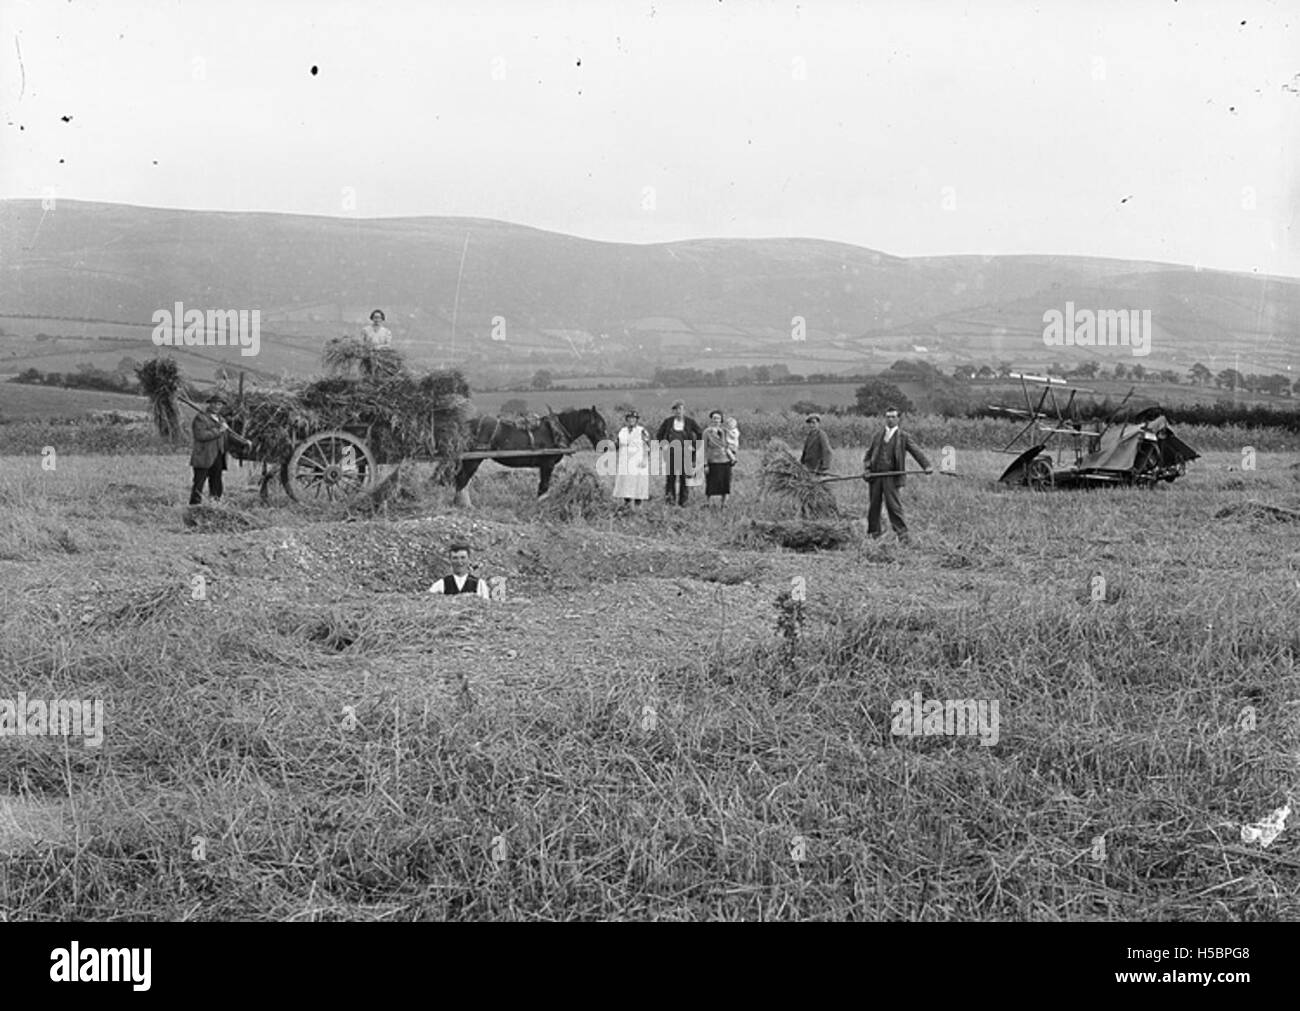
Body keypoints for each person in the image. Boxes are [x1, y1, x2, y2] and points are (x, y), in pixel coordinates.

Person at [862, 406, 932, 544]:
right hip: (875, 476)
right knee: (874, 505)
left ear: (898, 419)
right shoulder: (878, 435)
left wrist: (926, 466)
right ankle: (873, 534)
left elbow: (916, 451)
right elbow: (868, 455)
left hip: (892, 476)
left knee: (893, 506)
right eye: (888, 416)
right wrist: (867, 469)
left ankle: (903, 536)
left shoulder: (903, 437)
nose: (890, 419)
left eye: (893, 417)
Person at [655, 400, 703, 506]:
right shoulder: (668, 422)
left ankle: (683, 502)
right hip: (671, 454)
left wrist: (694, 446)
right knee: (671, 478)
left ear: (684, 410)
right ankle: (670, 500)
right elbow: (659, 435)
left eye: (680, 409)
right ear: (673, 411)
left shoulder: (690, 422)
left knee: (683, 478)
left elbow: (700, 433)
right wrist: (664, 445)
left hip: (685, 454)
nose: (678, 411)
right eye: (676, 409)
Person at [189, 393, 230, 505]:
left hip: (218, 456)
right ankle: (194, 506)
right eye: (215, 404)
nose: (217, 406)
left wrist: (245, 442)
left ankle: (215, 505)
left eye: (220, 404)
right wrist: (219, 431)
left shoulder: (221, 420)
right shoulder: (201, 418)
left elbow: (227, 436)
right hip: (204, 456)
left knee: (216, 482)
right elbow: (200, 435)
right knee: (199, 483)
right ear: (210, 404)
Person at [612, 409, 651, 507]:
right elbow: (617, 443)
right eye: (629, 418)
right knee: (626, 482)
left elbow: (647, 446)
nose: (631, 420)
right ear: (627, 420)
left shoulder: (642, 431)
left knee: (638, 482)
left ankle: (638, 505)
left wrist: (645, 459)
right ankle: (626, 504)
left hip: (638, 460)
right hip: (624, 460)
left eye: (633, 418)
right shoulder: (622, 431)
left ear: (636, 420)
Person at [702, 410, 734, 507]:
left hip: (725, 461)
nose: (716, 420)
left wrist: (732, 457)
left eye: (718, 418)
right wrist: (705, 464)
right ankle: (708, 503)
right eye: (714, 418)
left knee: (725, 483)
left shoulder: (724, 431)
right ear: (711, 420)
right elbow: (704, 449)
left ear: (721, 420)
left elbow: (728, 445)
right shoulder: (707, 432)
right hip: (713, 461)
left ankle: (724, 504)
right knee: (711, 483)